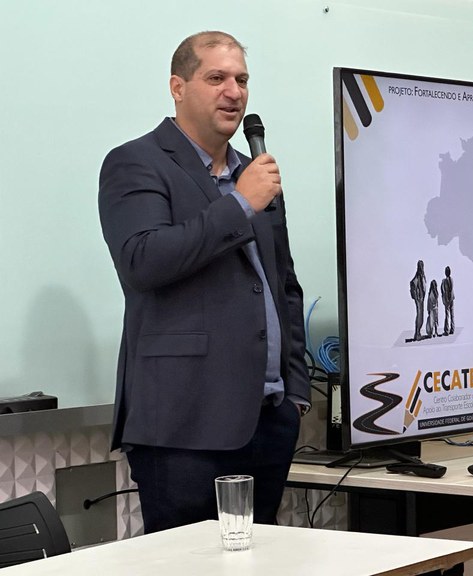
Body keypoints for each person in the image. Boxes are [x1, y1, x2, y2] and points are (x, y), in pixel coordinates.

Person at [98, 31, 311, 534]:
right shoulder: (136, 162)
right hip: (183, 425)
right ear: (178, 87)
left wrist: (296, 392)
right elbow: (143, 260)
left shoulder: (253, 173)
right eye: (217, 78)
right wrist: (239, 204)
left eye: (242, 79)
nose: (233, 92)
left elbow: (283, 283)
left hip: (268, 419)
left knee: (259, 562)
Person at [409, 260, 426, 341]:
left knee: (420, 315)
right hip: (419, 299)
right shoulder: (418, 276)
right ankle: (417, 334)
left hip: (421, 298)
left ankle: (418, 333)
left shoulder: (421, 275)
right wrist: (417, 296)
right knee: (419, 315)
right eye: (421, 266)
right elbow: (413, 282)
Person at [441, 266, 454, 335]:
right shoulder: (451, 279)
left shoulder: (444, 281)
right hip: (452, 298)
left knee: (447, 315)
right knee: (452, 314)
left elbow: (443, 291)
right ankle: (452, 329)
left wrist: (444, 299)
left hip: (447, 299)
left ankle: (446, 330)